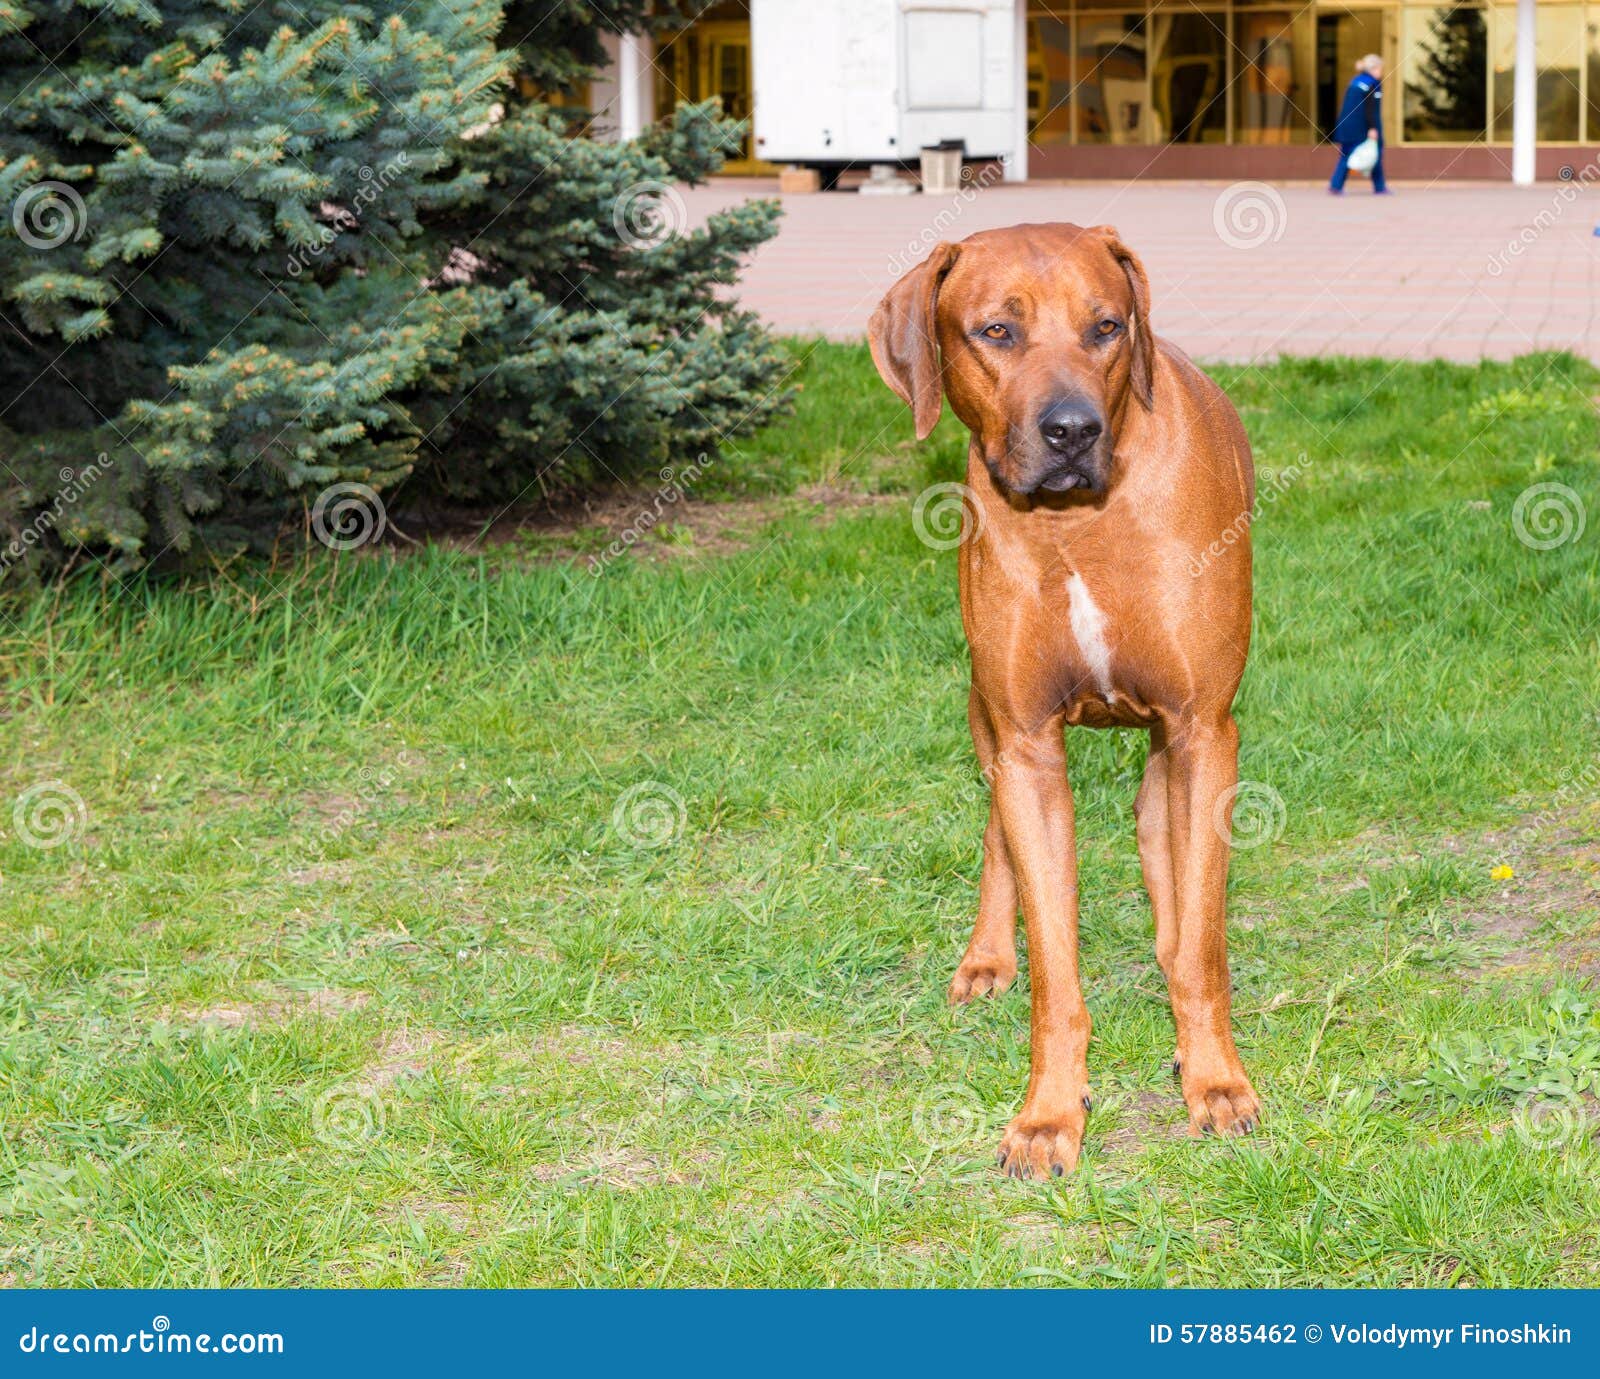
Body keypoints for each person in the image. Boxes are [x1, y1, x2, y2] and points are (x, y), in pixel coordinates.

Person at [1329, 54, 1388, 195]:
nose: (1381, 72)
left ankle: (1336, 186)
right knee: (1375, 153)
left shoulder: (1355, 82)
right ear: (1373, 68)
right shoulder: (1371, 84)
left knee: (1346, 155)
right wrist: (1373, 128)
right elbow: (1370, 109)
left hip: (1347, 127)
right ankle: (1379, 187)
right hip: (1362, 128)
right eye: (1380, 68)